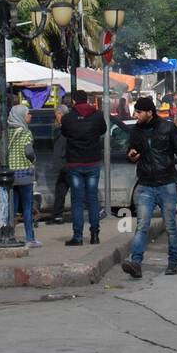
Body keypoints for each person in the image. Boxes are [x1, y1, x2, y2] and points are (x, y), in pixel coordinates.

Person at [121, 96, 177, 279]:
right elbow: (131, 150)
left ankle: (173, 261)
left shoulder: (168, 128)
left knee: (170, 225)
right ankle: (136, 263)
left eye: (138, 112)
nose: (135, 115)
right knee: (142, 226)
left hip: (166, 183)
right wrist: (131, 154)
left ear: (149, 113)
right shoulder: (135, 131)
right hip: (145, 185)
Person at [58, 90, 106, 245]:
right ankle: (95, 235)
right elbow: (103, 130)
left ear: (74, 102)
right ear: (88, 100)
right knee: (92, 199)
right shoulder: (98, 115)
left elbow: (64, 133)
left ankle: (78, 236)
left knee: (77, 200)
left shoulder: (67, 118)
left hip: (75, 163)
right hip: (92, 161)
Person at [6, 104, 39, 247]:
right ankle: (30, 238)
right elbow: (29, 152)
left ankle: (9, 236)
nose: (30, 116)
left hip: (10, 175)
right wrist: (33, 160)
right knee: (27, 206)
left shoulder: (6, 133)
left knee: (11, 208)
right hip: (25, 174)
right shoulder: (26, 133)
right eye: (27, 114)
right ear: (21, 116)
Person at [46, 110, 70, 224]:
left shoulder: (67, 128)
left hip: (67, 164)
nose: (57, 118)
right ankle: (57, 215)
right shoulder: (59, 129)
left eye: (58, 115)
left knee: (76, 190)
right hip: (63, 165)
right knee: (60, 190)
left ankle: (57, 215)